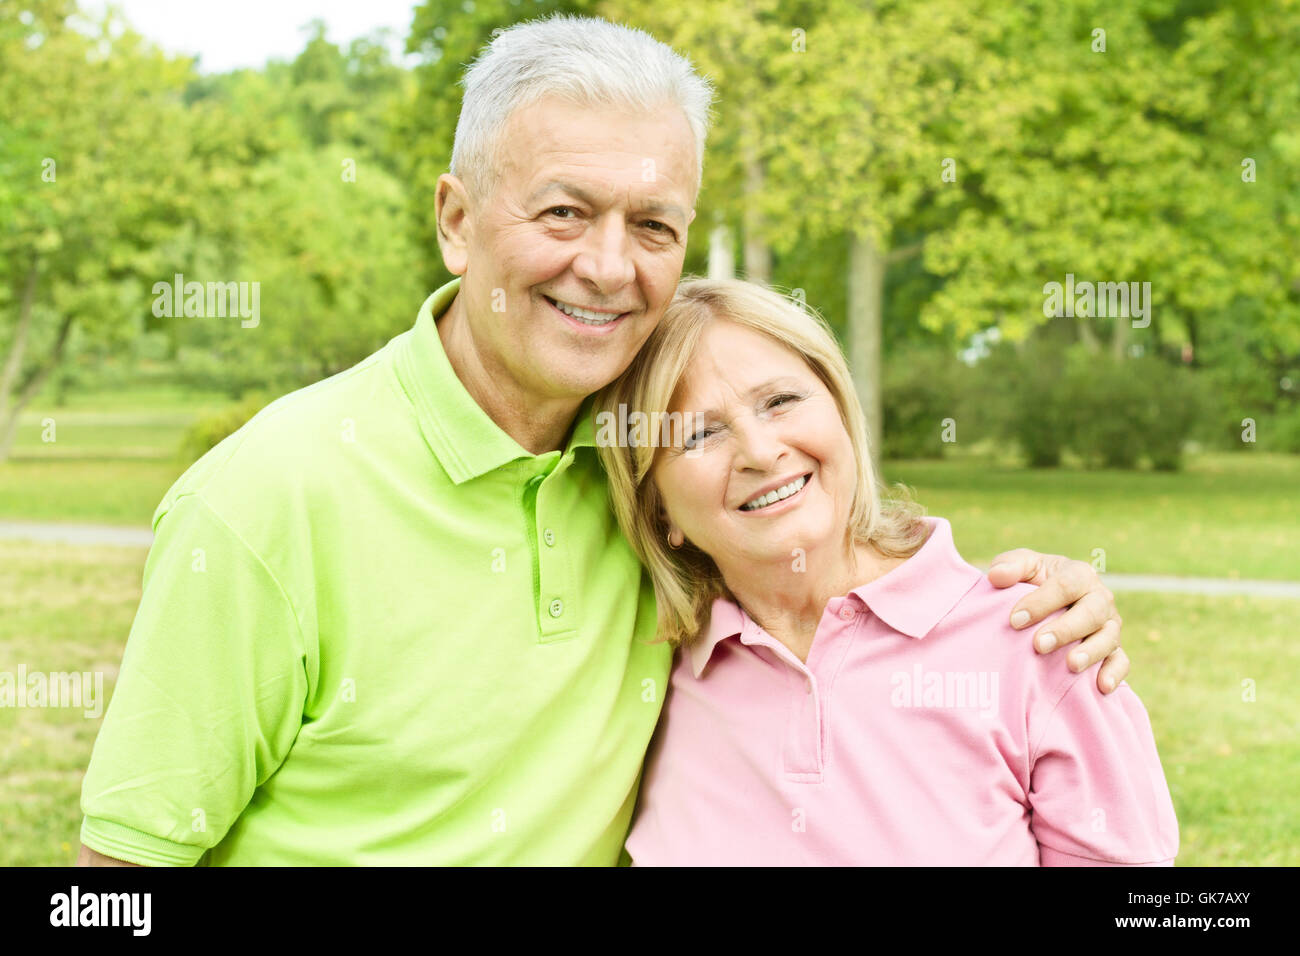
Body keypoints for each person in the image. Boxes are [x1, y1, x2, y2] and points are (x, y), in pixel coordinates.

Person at [77, 15, 1129, 867]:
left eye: (654, 226)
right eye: (565, 212)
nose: (609, 267)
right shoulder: (264, 500)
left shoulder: (649, 460)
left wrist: (1045, 607)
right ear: (455, 218)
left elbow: (824, 579)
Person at [597, 278, 1178, 865]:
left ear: (842, 413)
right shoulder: (644, 668)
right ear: (658, 506)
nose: (759, 450)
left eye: (780, 401)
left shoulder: (1042, 639)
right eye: (700, 434)